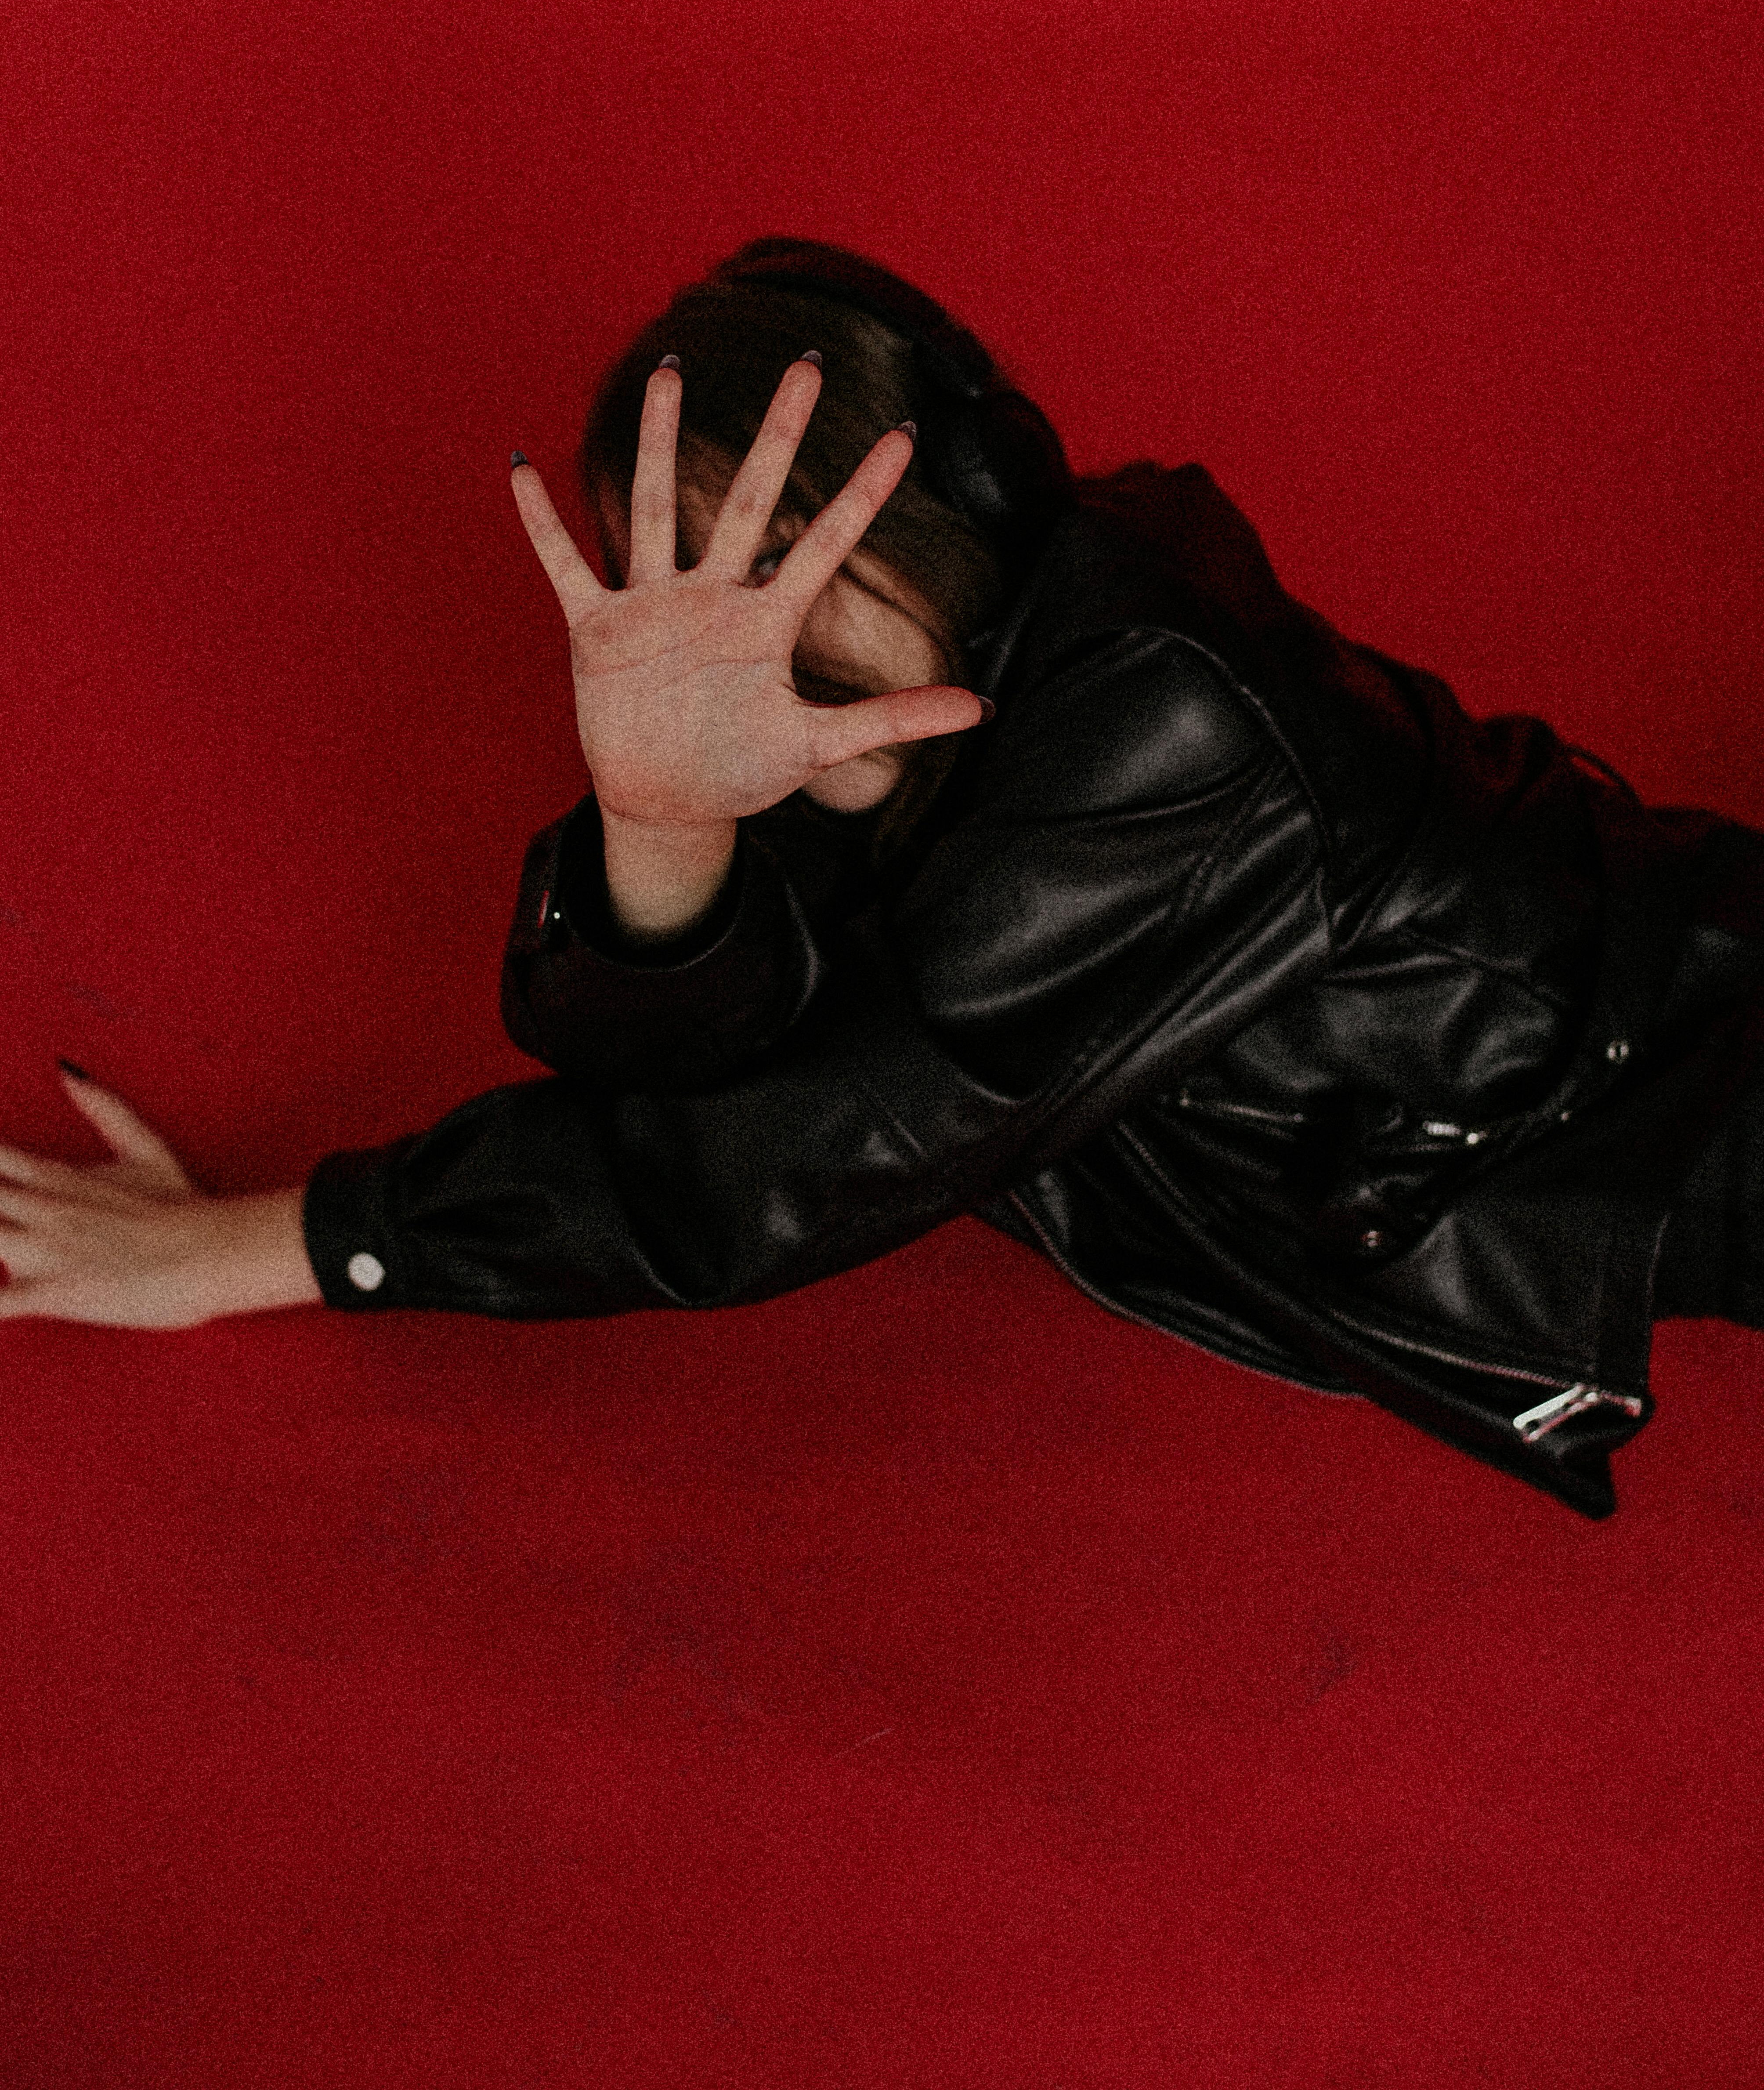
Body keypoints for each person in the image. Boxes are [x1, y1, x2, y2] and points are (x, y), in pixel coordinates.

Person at [4, 239, 1761, 1521]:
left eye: (800, 542)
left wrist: (249, 1250)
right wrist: (660, 819)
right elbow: (685, 1061)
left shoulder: (1163, 733)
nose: (745, 617)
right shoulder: (858, 721)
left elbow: (778, 1166)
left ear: (970, 499)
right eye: (690, 563)